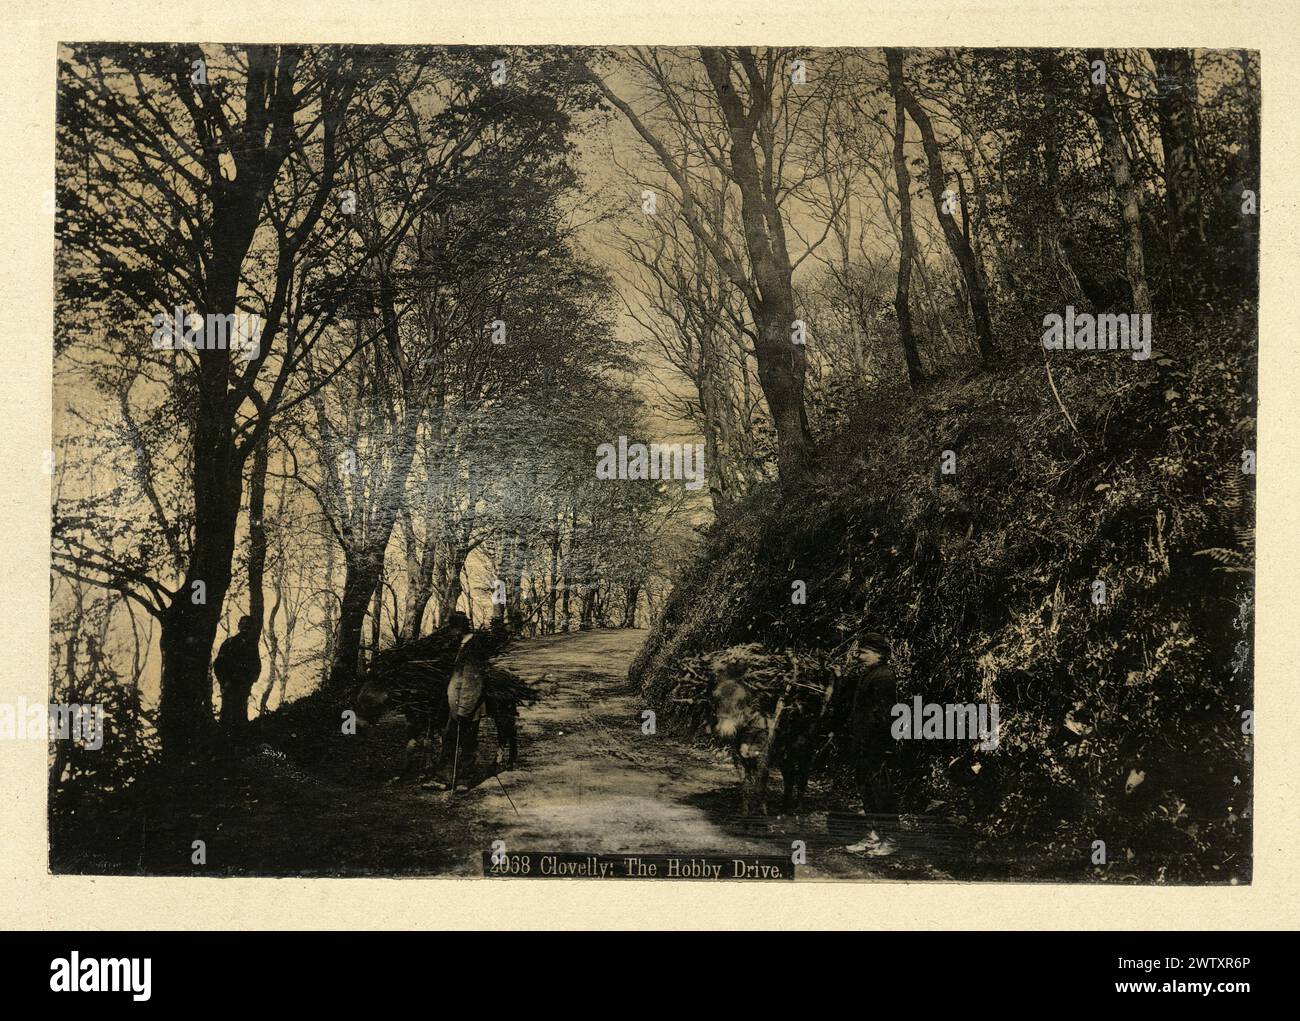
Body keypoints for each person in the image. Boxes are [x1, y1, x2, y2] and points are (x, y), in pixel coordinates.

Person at [841, 632, 899, 856]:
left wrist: (883, 745)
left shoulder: (883, 677)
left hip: (876, 745)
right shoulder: (870, 674)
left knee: (881, 791)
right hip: (864, 744)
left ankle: (891, 838)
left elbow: (886, 716)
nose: (859, 656)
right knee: (867, 790)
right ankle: (874, 836)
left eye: (864, 652)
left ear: (878, 654)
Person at [426, 631, 492, 792]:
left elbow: (472, 685)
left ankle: (463, 780)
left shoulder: (472, 654)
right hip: (456, 708)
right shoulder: (463, 651)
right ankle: (445, 779)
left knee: (466, 743)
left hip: (467, 710)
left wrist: (463, 711)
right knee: (450, 741)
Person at [213, 615, 262, 732]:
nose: (246, 629)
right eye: (244, 626)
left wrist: (251, 679)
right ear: (239, 627)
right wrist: (225, 682)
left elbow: (256, 664)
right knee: (227, 715)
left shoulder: (252, 646)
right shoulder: (229, 643)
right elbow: (218, 665)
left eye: (248, 627)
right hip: (230, 685)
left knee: (241, 715)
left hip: (243, 686)